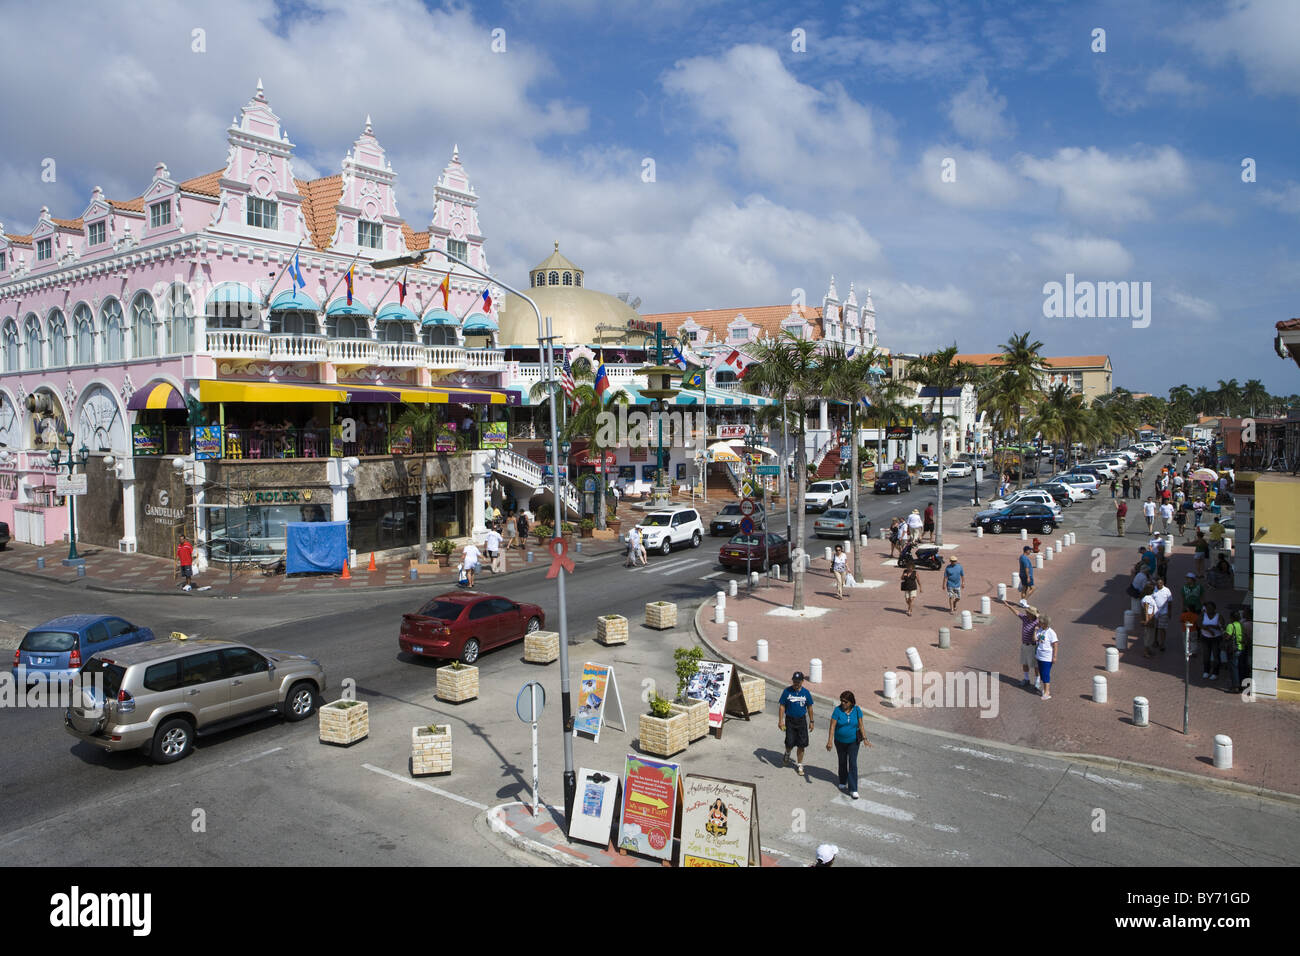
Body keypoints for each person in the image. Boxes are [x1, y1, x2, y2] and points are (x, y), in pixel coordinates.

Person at [826, 690, 870, 799]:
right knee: (842, 761)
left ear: (851, 702)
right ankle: (842, 780)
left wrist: (865, 738)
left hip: (853, 742)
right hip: (839, 742)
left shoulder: (857, 710)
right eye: (841, 701)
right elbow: (832, 727)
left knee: (853, 763)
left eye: (845, 702)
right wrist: (829, 741)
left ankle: (853, 789)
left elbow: (861, 725)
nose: (843, 703)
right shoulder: (837, 711)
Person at [778, 671, 814, 774]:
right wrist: (781, 721)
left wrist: (811, 721)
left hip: (801, 721)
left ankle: (799, 765)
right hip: (790, 720)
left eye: (798, 682)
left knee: (801, 744)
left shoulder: (806, 693)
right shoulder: (787, 691)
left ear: (802, 681)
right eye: (794, 681)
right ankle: (787, 753)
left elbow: (810, 707)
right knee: (789, 742)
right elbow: (782, 706)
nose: (796, 683)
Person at [1000, 598, 1040, 687]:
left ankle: (1037, 681)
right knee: (1025, 663)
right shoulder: (1025, 618)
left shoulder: (1037, 622)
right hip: (1025, 645)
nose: (1026, 613)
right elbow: (1017, 612)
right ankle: (1026, 679)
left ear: (1032, 615)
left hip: (1033, 646)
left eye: (1028, 613)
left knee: (1035, 665)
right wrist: (1009, 606)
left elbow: (1045, 624)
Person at [1034, 613, 1058, 700]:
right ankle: (1045, 690)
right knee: (1042, 673)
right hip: (1039, 655)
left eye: (1040, 622)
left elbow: (1055, 644)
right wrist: (1035, 631)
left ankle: (1047, 692)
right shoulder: (1040, 630)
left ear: (1044, 623)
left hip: (1047, 657)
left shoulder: (1051, 632)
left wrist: (1054, 657)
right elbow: (1035, 639)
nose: (1038, 623)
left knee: (1045, 674)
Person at [1200, 600, 1224, 681]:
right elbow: (1199, 624)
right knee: (1206, 656)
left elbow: (1222, 627)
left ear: (1214, 608)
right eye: (1207, 608)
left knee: (1216, 656)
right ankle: (1206, 671)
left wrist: (1212, 627)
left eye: (1210, 608)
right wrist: (1208, 630)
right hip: (1205, 638)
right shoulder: (1203, 615)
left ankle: (1215, 673)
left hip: (1216, 638)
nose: (1209, 609)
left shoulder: (1219, 616)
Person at [1225, 611, 1246, 692]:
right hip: (1241, 648)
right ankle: (1241, 685)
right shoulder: (1241, 625)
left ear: (1232, 618)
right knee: (1240, 668)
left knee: (1233, 668)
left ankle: (1235, 687)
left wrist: (1224, 633)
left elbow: (1227, 637)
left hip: (1233, 649)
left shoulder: (1231, 625)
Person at [1140, 583, 1158, 658]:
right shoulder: (1147, 598)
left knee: (1151, 635)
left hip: (1152, 618)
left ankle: (1148, 649)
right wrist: (1147, 620)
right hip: (1149, 618)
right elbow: (1146, 609)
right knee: (1148, 635)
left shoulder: (1149, 597)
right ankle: (1145, 651)